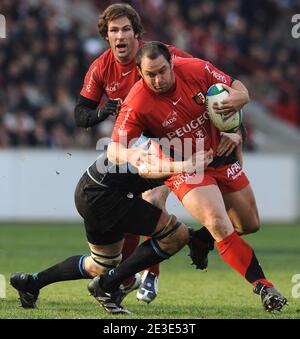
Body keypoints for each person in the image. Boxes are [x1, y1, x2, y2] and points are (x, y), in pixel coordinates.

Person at [102, 41, 288, 313]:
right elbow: (113, 148)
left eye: (162, 71)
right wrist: (130, 155)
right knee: (217, 221)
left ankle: (200, 239)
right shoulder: (137, 101)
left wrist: (240, 101)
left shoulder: (197, 69)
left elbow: (237, 87)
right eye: (150, 74)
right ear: (140, 74)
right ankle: (264, 286)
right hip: (184, 165)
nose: (158, 79)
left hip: (218, 154)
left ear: (172, 64)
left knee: (249, 224)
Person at [73, 2, 215, 303]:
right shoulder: (101, 67)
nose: (120, 35)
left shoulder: (165, 55)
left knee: (151, 203)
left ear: (136, 33)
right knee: (128, 211)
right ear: (107, 36)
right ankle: (127, 276)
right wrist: (101, 113)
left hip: (167, 141)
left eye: (126, 29)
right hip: (129, 145)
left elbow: (202, 80)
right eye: (114, 30)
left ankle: (150, 275)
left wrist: (223, 124)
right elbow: (80, 114)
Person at [11, 139, 213, 314]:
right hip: (104, 195)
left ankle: (31, 284)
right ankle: (108, 285)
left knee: (100, 264)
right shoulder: (171, 146)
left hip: (91, 189)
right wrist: (186, 166)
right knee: (176, 235)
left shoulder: (173, 140)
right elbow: (149, 176)